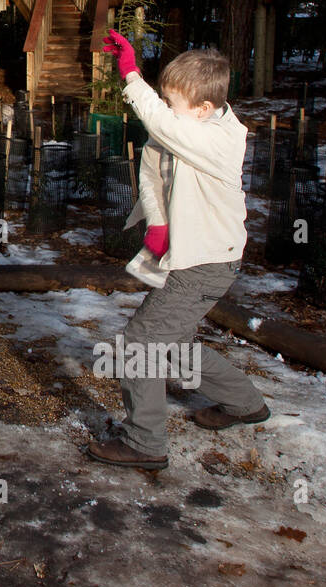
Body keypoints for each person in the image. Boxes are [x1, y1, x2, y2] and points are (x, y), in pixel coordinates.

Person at [87, 31, 269, 471]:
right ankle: (245, 403)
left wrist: (131, 74)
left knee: (141, 345)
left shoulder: (220, 140)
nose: (166, 109)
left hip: (205, 263)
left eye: (174, 102)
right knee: (174, 348)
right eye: (164, 99)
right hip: (190, 255)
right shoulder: (183, 126)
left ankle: (144, 442)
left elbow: (161, 125)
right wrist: (160, 223)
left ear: (204, 110)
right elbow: (151, 169)